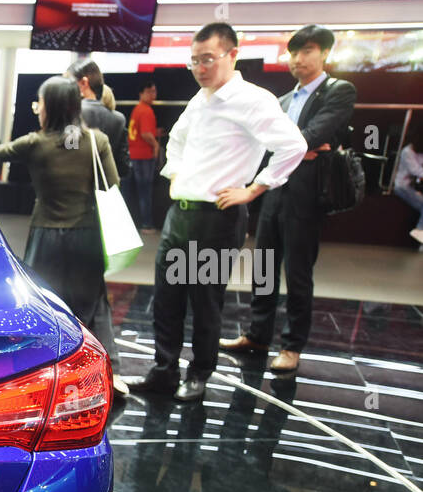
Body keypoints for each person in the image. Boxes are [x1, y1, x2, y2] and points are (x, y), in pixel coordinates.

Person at [129, 22, 307, 403]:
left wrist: (256, 188)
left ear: (232, 55)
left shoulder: (253, 100)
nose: (200, 68)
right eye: (194, 61)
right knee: (167, 299)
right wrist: (175, 174)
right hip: (182, 215)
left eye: (207, 59)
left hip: (217, 218)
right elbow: (175, 141)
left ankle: (199, 374)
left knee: (205, 302)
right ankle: (164, 371)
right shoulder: (201, 99)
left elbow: (293, 145)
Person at [0, 76, 126, 394]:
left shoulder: (35, 143)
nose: (38, 110)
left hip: (46, 237)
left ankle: (45, 378)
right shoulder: (95, 141)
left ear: (51, 108)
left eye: (40, 104)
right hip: (86, 237)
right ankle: (97, 378)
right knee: (88, 309)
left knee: (45, 307)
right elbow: (111, 184)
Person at [220, 25, 357, 374]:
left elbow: (313, 135)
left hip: (308, 196)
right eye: (293, 52)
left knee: (298, 272)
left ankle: (292, 346)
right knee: (264, 266)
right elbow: (272, 145)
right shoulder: (280, 102)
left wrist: (296, 147)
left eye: (307, 50)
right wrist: (297, 148)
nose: (298, 59)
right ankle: (258, 335)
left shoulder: (338, 91)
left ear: (324, 53)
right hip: (274, 190)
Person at [67, 58, 130, 179]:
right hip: (104, 192)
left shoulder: (72, 113)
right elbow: (123, 167)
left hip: (74, 191)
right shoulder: (119, 119)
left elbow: (67, 157)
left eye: (68, 83)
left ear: (84, 83)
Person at [127, 78, 160, 232]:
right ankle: (146, 223)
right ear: (142, 93)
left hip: (134, 155)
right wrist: (155, 144)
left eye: (154, 91)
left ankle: (141, 223)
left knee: (138, 191)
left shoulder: (137, 109)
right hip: (143, 156)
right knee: (145, 192)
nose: (153, 95)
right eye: (150, 91)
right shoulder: (146, 110)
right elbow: (146, 133)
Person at [391, 124, 423, 249]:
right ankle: (420, 232)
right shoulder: (407, 151)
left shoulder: (420, 151)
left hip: (415, 186)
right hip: (402, 187)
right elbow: (415, 170)